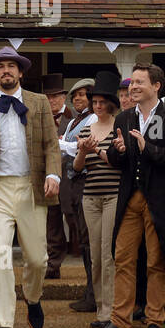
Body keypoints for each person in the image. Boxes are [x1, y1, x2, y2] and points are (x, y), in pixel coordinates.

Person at [0, 46, 62, 328]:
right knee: (2, 256)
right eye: (0, 67)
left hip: (31, 188)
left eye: (11, 66)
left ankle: (33, 298)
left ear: (20, 72)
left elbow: (51, 144)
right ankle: (5, 325)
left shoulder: (39, 102)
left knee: (37, 259)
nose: (6, 71)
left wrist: (53, 175)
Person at [88, 62, 165, 328]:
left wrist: (149, 148)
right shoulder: (124, 119)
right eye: (132, 83)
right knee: (123, 259)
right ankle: (120, 322)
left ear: (156, 86)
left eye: (139, 83)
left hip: (159, 199)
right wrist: (118, 151)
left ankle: (154, 321)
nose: (133, 87)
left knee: (157, 261)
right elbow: (119, 161)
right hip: (129, 198)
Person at [74, 70, 122, 328]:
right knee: (95, 254)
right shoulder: (84, 129)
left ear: (111, 103)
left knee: (108, 254)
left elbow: (121, 164)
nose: (98, 105)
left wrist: (101, 152)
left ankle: (109, 311)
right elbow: (79, 167)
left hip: (113, 196)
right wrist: (83, 150)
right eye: (95, 102)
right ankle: (100, 306)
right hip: (90, 197)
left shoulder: (121, 125)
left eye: (102, 102)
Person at [61, 78, 97, 312]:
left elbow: (77, 147)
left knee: (89, 239)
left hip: (86, 181)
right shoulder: (75, 120)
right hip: (73, 182)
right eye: (74, 95)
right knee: (82, 239)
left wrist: (62, 144)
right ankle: (90, 291)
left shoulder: (93, 119)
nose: (77, 99)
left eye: (82, 95)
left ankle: (94, 294)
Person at [43, 72, 73, 279]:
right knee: (52, 222)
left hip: (71, 178)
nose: (52, 100)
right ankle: (53, 265)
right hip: (50, 177)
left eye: (56, 96)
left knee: (75, 221)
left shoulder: (73, 116)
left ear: (63, 97)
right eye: (48, 97)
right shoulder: (39, 117)